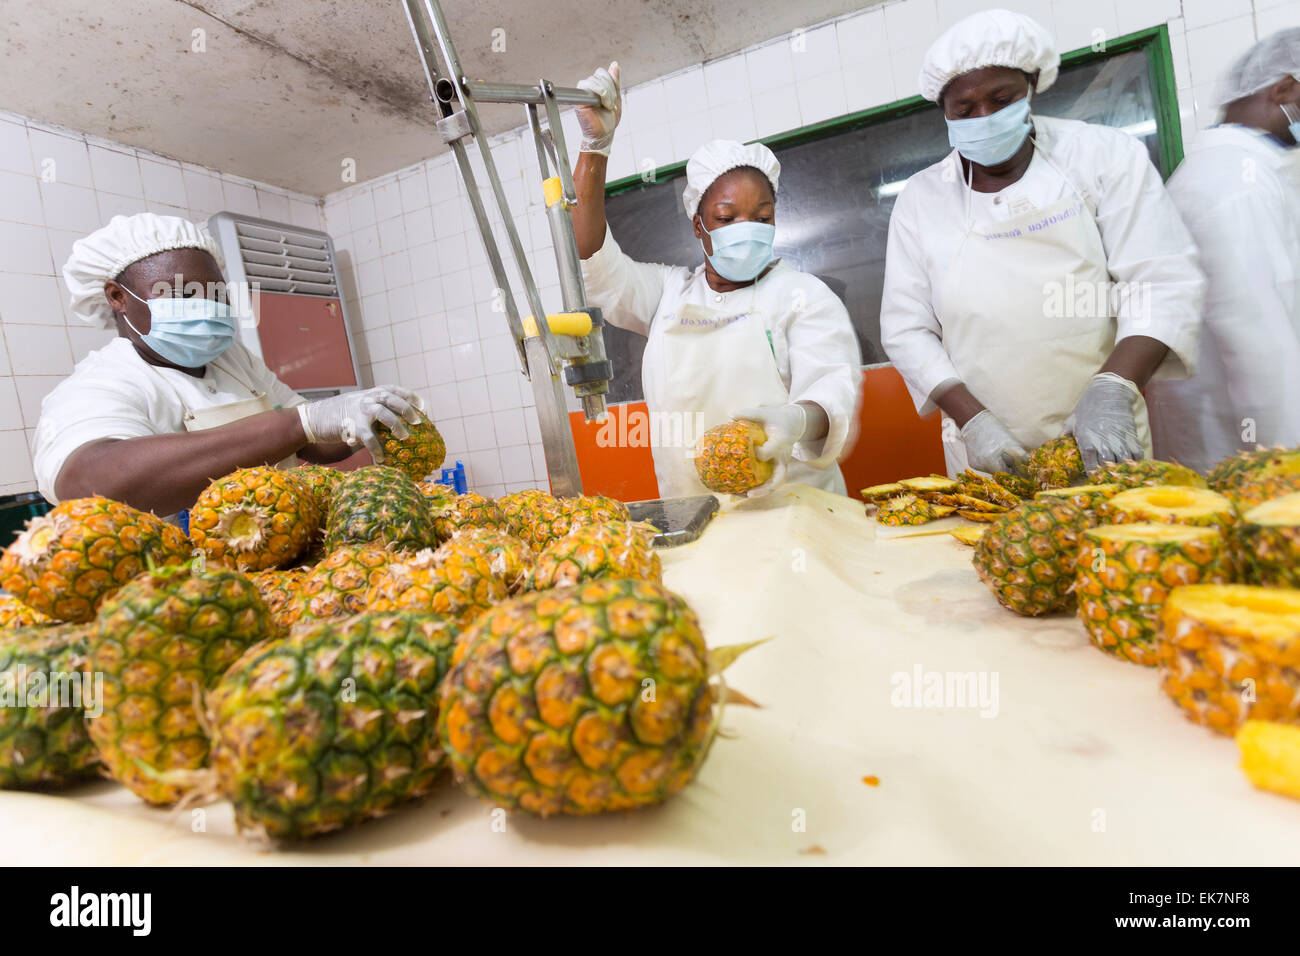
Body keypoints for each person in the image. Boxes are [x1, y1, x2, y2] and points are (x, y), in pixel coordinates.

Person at [879, 9, 1205, 477]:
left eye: (1001, 98)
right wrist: (973, 420)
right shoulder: (921, 200)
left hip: (1102, 437)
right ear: (944, 113)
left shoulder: (1103, 156)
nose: (984, 118)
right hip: (985, 453)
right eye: (965, 110)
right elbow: (906, 329)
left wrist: (1114, 387)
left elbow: (1158, 279)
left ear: (1031, 84)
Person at [570, 63, 862, 499]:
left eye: (762, 217)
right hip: (693, 518)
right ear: (698, 226)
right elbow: (593, 257)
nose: (747, 227)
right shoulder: (667, 296)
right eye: (726, 218)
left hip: (796, 519)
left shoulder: (802, 295)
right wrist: (596, 147)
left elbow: (833, 389)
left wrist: (799, 419)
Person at [35, 213, 423, 516]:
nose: (205, 306)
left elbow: (314, 445)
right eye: (183, 293)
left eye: (215, 293)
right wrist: (301, 422)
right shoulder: (100, 384)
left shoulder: (231, 359)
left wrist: (360, 415)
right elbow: (88, 484)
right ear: (118, 297)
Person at [1146, 30, 1300, 475]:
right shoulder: (1233, 185)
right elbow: (1260, 347)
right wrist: (1287, 469)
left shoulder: (1248, 172)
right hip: (1244, 451)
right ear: (1285, 89)